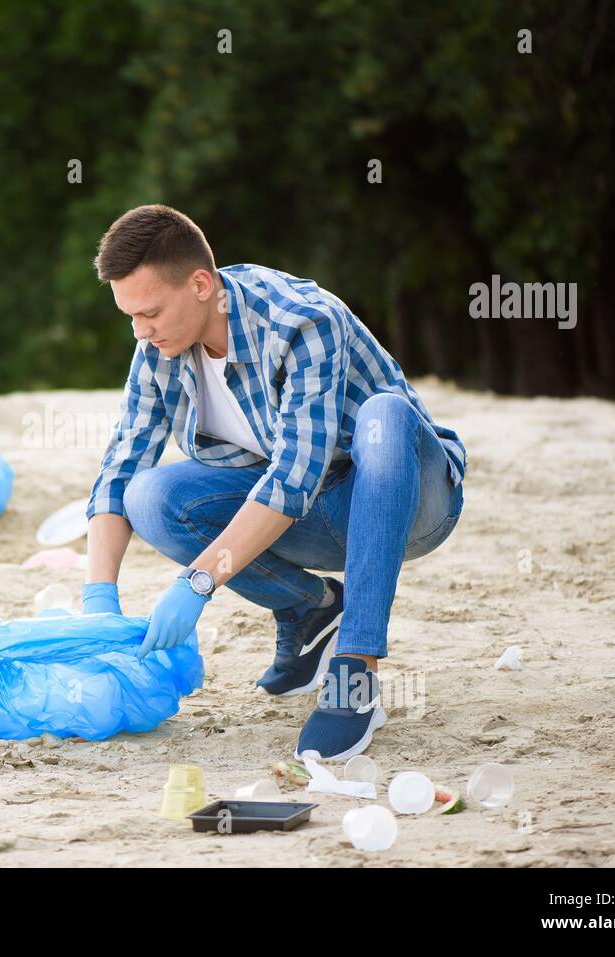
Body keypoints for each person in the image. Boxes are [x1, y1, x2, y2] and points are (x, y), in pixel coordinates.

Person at [81, 205, 467, 760]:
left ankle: (355, 670)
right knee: (150, 496)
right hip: (314, 518)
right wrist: (100, 598)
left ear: (200, 284)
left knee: (386, 415)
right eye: (130, 317)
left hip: (409, 503)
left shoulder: (301, 321)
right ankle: (311, 611)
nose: (141, 331)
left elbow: (294, 475)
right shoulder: (158, 348)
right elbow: (121, 467)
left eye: (151, 313)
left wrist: (198, 581)